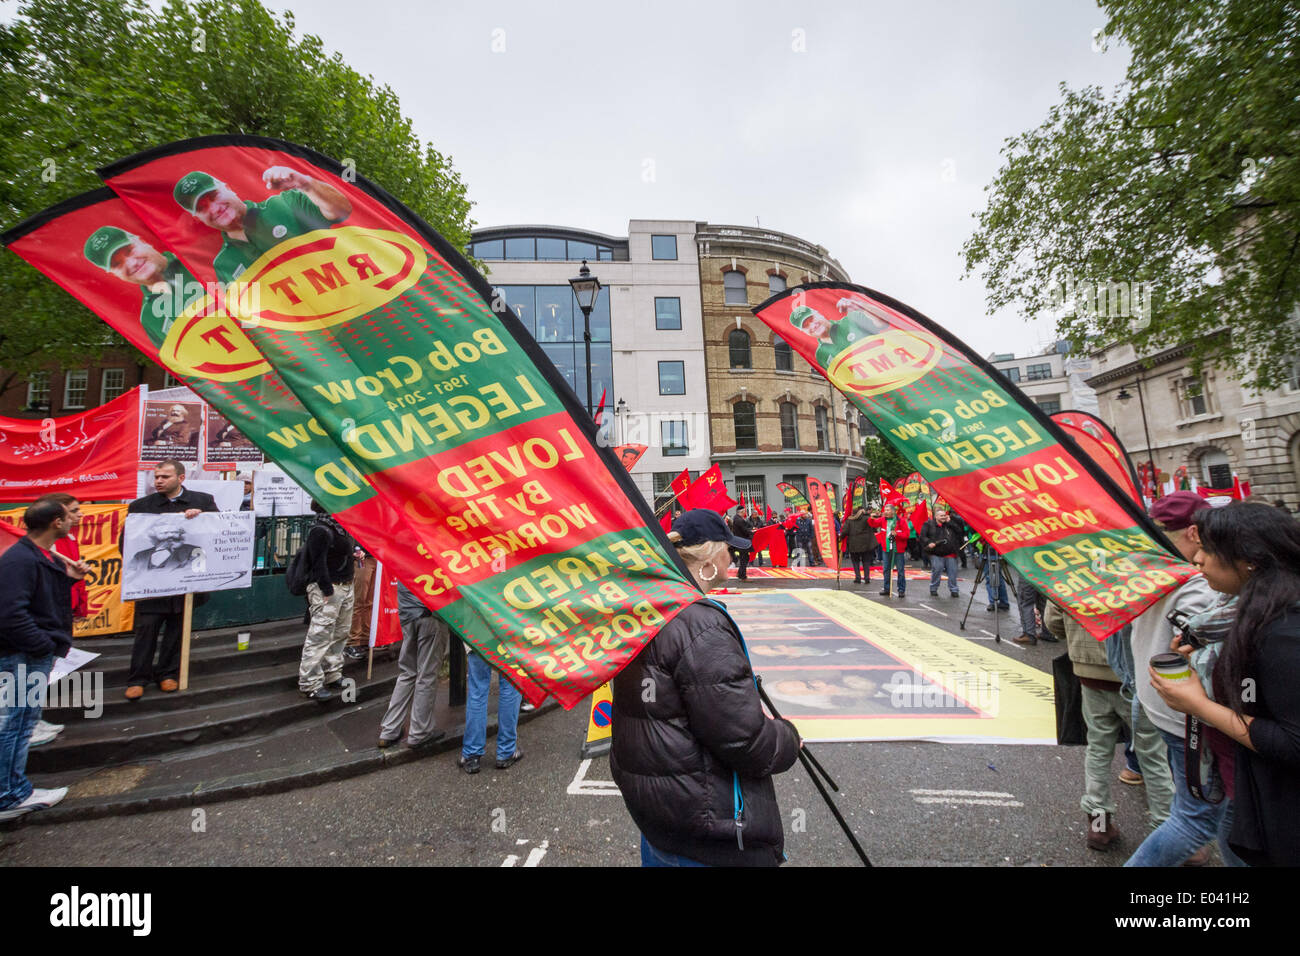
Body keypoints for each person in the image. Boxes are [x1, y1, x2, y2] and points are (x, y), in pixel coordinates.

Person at [610, 509, 802, 865]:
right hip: (706, 830)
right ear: (711, 558)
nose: (734, 557)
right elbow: (745, 741)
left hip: (659, 818)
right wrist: (788, 738)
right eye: (729, 549)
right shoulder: (702, 627)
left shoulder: (647, 607)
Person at [1148, 502, 1300, 865]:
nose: (1197, 559)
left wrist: (1198, 705)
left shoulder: (1282, 632)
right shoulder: (1246, 613)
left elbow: (1293, 740)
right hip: (1244, 785)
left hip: (1276, 807)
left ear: (1250, 561)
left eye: (1210, 550)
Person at [1124, 491, 1234, 866]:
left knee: (1231, 812)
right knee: (1195, 822)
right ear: (1193, 531)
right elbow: (1200, 648)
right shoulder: (1201, 581)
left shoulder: (1147, 567)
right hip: (1189, 714)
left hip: (1160, 703)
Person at [1045, 600, 1172, 851]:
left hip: (1088, 668)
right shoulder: (1140, 567)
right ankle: (1166, 829)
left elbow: (1053, 622)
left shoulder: (1070, 567)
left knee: (1098, 749)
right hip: (1134, 671)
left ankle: (1099, 825)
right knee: (1152, 754)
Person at [0, 498, 85, 821]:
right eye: (69, 516)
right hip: (24, 656)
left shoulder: (37, 555)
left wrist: (70, 578)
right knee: (18, 725)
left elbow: (40, 600)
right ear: (55, 523)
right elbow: (10, 614)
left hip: (29, 653)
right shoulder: (22, 559)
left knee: (20, 723)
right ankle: (10, 795)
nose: (74, 519)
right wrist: (42, 646)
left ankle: (12, 789)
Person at [124, 460, 219, 701]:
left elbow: (218, 532)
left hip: (184, 585)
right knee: (146, 630)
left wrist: (202, 518)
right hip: (151, 585)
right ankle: (138, 678)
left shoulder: (203, 501)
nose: (158, 481)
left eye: (165, 476)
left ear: (181, 478)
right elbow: (127, 543)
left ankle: (167, 673)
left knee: (177, 631)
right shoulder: (140, 506)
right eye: (156, 477)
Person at [173, 167, 352, 283]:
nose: (214, 208)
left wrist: (304, 184)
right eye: (202, 208)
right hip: (314, 339)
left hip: (356, 311)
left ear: (228, 188)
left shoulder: (285, 204)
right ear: (197, 218)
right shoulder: (224, 264)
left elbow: (341, 210)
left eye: (213, 196)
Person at [30, 493, 86, 747]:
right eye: (73, 511)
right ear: (57, 519)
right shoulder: (32, 554)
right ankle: (28, 724)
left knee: (40, 677)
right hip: (43, 631)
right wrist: (41, 641)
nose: (79, 515)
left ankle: (33, 719)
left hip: (58, 617)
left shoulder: (67, 539)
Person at [377, 583, 450, 749]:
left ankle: (389, 729)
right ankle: (420, 732)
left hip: (407, 613)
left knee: (407, 672)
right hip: (429, 614)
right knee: (426, 675)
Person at [297, 501, 357, 702]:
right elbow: (318, 562)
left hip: (345, 585)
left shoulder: (340, 527)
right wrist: (326, 588)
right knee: (320, 634)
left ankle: (333, 672)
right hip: (330, 588)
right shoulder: (321, 530)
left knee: (340, 631)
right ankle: (310, 682)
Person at [458, 644, 524, 774]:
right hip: (508, 632)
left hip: (476, 632)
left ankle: (471, 754)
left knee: (477, 691)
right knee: (510, 686)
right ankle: (506, 751)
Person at [920, 507, 962, 598]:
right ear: (936, 516)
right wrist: (928, 542)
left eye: (944, 515)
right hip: (936, 552)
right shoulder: (928, 524)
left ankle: (954, 589)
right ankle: (933, 588)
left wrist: (950, 522)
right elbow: (922, 536)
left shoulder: (949, 524)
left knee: (953, 572)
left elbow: (959, 531)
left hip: (950, 552)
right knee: (937, 569)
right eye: (941, 516)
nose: (943, 517)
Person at [869, 504, 910, 597]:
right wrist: (871, 518)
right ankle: (887, 588)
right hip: (886, 549)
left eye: (888, 510)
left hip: (898, 550)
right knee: (886, 569)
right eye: (885, 510)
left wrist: (897, 534)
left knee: (900, 570)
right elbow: (873, 524)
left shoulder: (901, 521)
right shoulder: (883, 520)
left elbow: (906, 535)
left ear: (893, 511)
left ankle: (901, 589)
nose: (885, 512)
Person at [1011, 569, 1055, 646]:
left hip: (1028, 570)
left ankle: (1029, 634)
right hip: (1045, 571)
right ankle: (1048, 632)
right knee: (1043, 603)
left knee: (1025, 603)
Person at [841, 505, 874, 585]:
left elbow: (845, 531)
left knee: (855, 562)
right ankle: (867, 578)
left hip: (853, 544)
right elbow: (873, 527)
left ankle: (858, 578)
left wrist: (841, 537)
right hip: (866, 544)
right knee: (866, 561)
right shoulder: (867, 518)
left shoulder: (849, 520)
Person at [730, 507, 753, 580]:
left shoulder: (736, 518)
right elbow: (745, 530)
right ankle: (743, 576)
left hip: (739, 541)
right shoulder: (739, 520)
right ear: (742, 512)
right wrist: (752, 531)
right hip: (742, 542)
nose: (745, 513)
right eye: (744, 511)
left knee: (744, 558)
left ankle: (740, 573)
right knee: (744, 559)